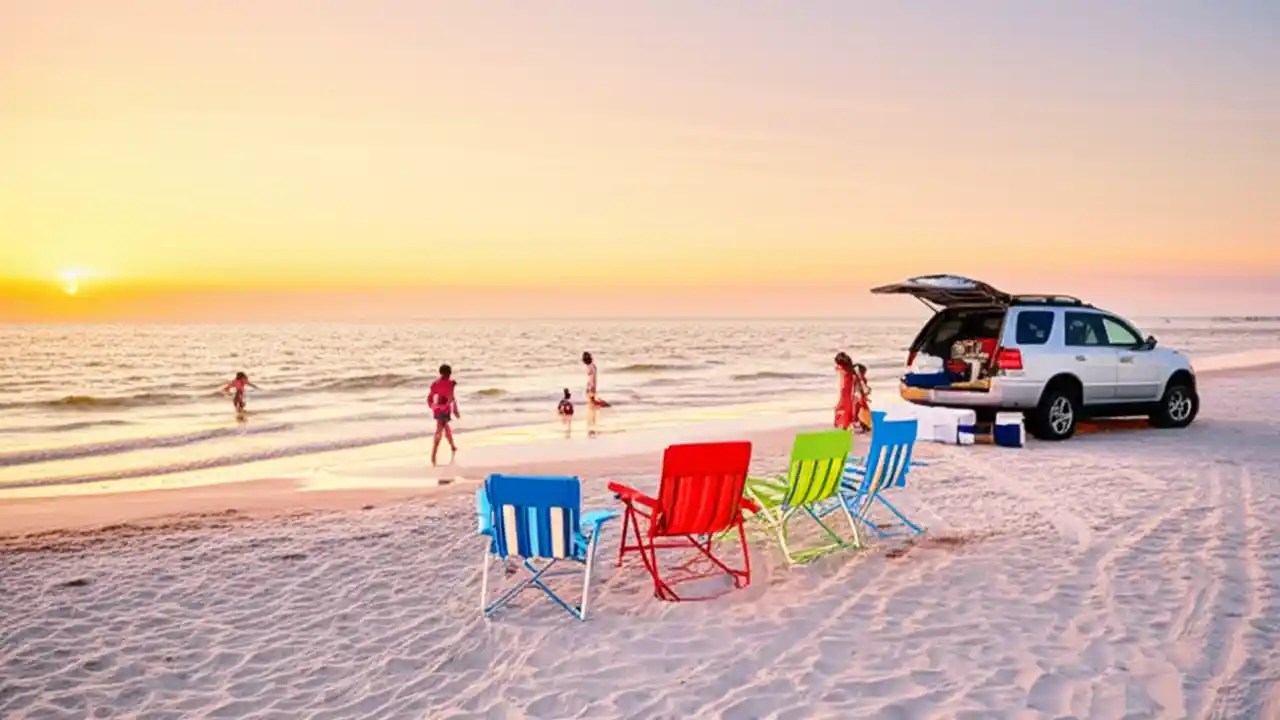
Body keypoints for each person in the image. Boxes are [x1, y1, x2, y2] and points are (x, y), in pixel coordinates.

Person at [428, 364, 460, 465]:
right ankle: (434, 452)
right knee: (440, 429)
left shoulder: (435, 383)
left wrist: (432, 406)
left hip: (438, 409)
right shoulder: (450, 383)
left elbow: (430, 396)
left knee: (445, 427)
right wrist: (455, 410)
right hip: (444, 409)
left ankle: (452, 446)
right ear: (448, 373)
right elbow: (451, 397)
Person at [833, 353, 856, 430]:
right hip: (848, 390)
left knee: (843, 407)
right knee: (846, 407)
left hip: (845, 390)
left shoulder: (844, 369)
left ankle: (843, 423)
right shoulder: (849, 369)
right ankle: (845, 423)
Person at [852, 362, 873, 433]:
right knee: (862, 411)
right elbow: (861, 388)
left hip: (858, 396)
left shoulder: (857, 378)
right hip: (859, 397)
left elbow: (861, 388)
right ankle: (864, 426)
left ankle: (863, 425)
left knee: (860, 411)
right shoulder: (860, 378)